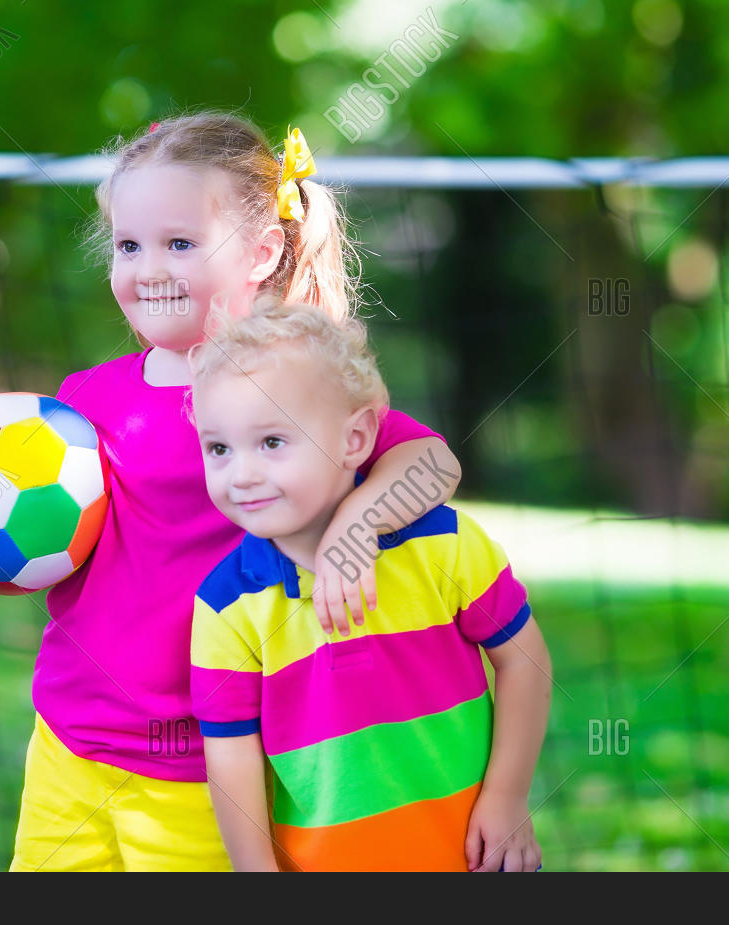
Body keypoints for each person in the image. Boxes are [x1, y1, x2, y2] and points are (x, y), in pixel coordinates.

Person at [0, 113, 465, 870]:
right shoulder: (81, 402)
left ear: (262, 252)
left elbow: (431, 461)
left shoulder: (288, 389)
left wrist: (354, 523)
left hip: (210, 763)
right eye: (129, 246)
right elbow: (49, 555)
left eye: (179, 244)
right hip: (70, 743)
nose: (147, 268)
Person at [188, 298, 552, 871]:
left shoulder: (446, 544)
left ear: (355, 439)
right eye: (218, 449)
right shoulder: (225, 604)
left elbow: (524, 661)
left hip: (472, 855)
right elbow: (231, 753)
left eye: (272, 442)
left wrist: (507, 798)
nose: (242, 474)